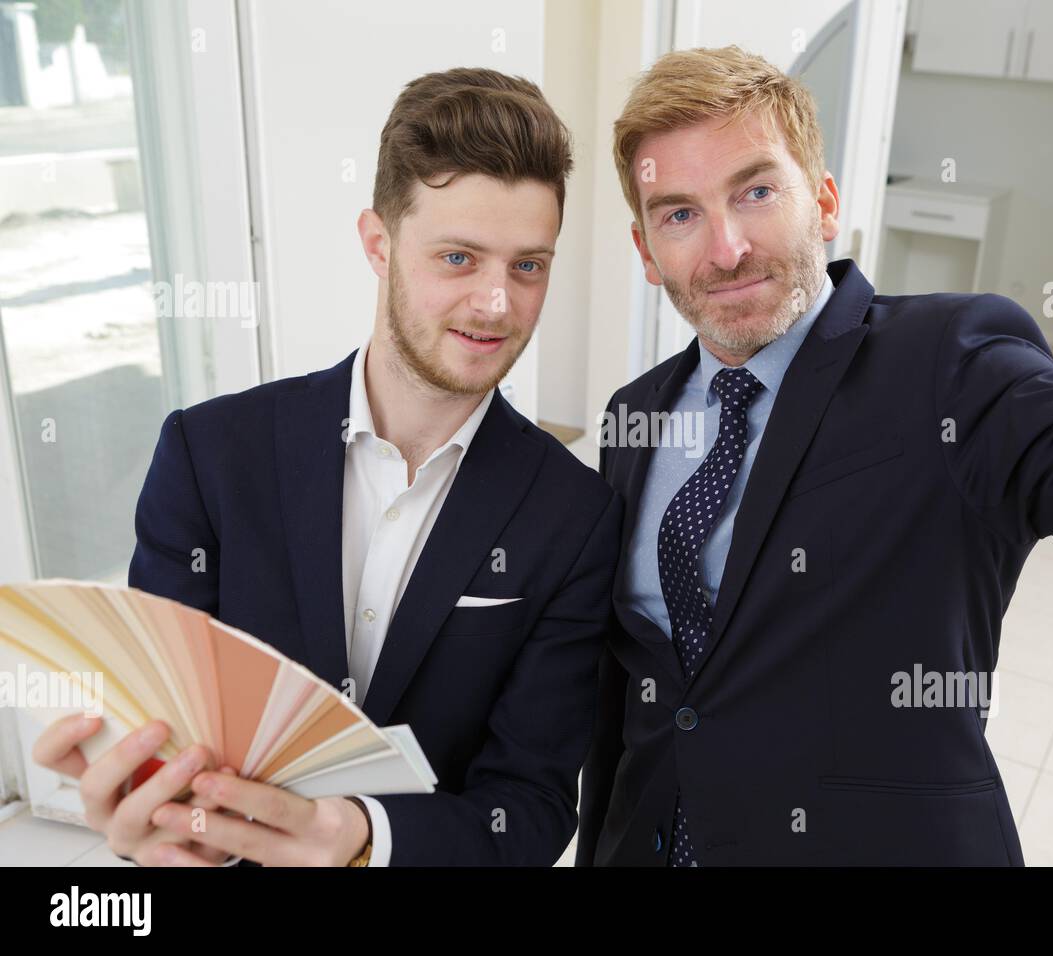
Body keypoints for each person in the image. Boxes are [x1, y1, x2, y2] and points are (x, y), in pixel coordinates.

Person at [577, 46, 1053, 866]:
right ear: (645, 252)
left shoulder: (949, 361)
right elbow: (637, 690)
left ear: (822, 204)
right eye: (680, 215)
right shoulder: (635, 415)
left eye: (756, 192)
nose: (727, 247)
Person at [33, 67, 620, 867]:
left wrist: (362, 839)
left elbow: (534, 805)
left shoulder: (575, 515)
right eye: (458, 258)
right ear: (378, 244)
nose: (497, 304)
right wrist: (157, 827)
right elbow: (158, 737)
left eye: (528, 266)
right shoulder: (209, 456)